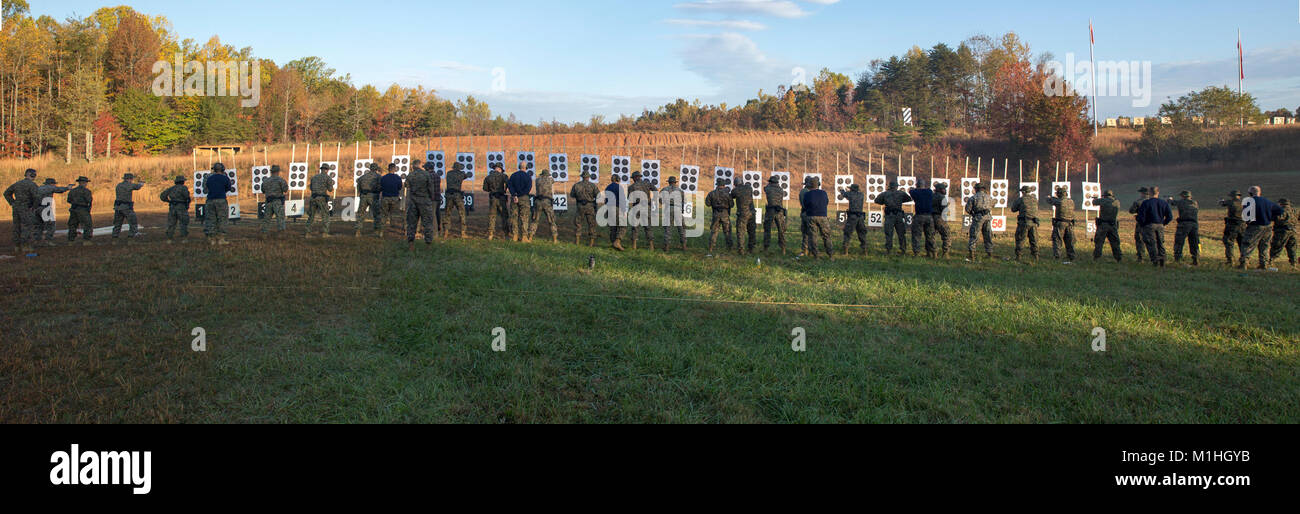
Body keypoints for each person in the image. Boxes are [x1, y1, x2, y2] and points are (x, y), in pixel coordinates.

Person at [1237, 186, 1283, 270]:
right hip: (1268, 227)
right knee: (1264, 246)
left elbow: (1245, 216)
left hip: (1255, 227)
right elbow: (1280, 210)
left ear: (1250, 193)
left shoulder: (1249, 201)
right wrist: (1271, 217)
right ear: (1260, 192)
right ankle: (1264, 264)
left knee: (1247, 245)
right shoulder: (1268, 201)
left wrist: (1248, 222)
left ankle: (1244, 264)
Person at [1135, 186, 1173, 267]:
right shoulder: (1164, 203)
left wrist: (1142, 224)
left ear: (1150, 193)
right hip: (1160, 225)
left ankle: (1155, 261)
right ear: (1158, 192)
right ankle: (1162, 260)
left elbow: (1141, 217)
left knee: (1151, 243)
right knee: (1160, 243)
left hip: (1149, 225)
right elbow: (1170, 216)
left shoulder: (1146, 203)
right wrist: (1163, 223)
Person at [4, 168, 39, 253]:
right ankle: (25, 245)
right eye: (34, 174)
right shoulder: (32, 185)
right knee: (27, 226)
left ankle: (17, 246)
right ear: (31, 175)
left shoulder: (17, 184)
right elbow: (37, 197)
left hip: (16, 208)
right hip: (27, 208)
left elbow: (6, 193)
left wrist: (12, 203)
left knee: (17, 226)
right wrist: (34, 207)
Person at [405, 160, 437, 248]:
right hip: (425, 201)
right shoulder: (426, 174)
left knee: (412, 223)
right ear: (419, 165)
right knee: (427, 223)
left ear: (413, 166)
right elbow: (431, 188)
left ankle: (411, 244)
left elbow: (406, 186)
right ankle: (428, 244)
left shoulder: (410, 175)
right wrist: (431, 197)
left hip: (413, 202)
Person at [874, 180, 909, 256]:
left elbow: (876, 200)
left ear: (889, 186)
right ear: (896, 187)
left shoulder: (885, 194)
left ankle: (888, 250)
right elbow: (909, 199)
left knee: (889, 233)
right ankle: (903, 250)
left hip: (889, 215)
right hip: (899, 215)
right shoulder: (901, 193)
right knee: (901, 233)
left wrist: (884, 201)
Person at [34, 178, 72, 246]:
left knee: (39, 225)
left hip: (36, 208)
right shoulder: (49, 187)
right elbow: (59, 190)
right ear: (51, 184)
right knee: (51, 225)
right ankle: (48, 240)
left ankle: (37, 241)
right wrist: (67, 188)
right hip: (45, 208)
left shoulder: (39, 188)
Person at [203, 163, 235, 245]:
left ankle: (211, 239)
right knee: (222, 219)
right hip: (221, 200)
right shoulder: (225, 178)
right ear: (223, 169)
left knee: (211, 219)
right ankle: (221, 239)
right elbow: (228, 188)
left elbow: (206, 188)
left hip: (210, 200)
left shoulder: (209, 178)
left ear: (214, 169)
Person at [802, 177, 833, 259]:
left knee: (813, 236)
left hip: (811, 216)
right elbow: (826, 202)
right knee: (826, 236)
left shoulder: (807, 194)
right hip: (823, 216)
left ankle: (816, 256)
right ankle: (830, 255)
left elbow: (805, 205)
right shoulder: (824, 193)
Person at [1046, 186, 1077, 262]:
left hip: (1061, 223)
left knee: (1057, 239)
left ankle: (1057, 256)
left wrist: (1048, 197)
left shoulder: (1059, 201)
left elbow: (1050, 200)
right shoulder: (1071, 201)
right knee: (1069, 240)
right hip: (1070, 223)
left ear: (1059, 194)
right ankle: (1071, 256)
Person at [1168, 190, 1200, 265]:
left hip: (1184, 224)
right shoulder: (1195, 203)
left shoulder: (1181, 202)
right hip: (1194, 225)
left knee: (1179, 242)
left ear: (1183, 196)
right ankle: (1196, 259)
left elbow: (1173, 203)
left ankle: (1177, 259)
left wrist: (1170, 200)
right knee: (1194, 242)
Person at [112, 172, 145, 243]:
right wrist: (141, 184)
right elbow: (137, 187)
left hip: (118, 207)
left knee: (117, 224)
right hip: (126, 207)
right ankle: (131, 237)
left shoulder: (119, 185)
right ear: (130, 179)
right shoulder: (128, 185)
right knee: (133, 221)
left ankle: (115, 238)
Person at [964, 182, 994, 260]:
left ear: (976, 189)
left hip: (978, 218)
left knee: (974, 235)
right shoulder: (989, 197)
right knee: (988, 236)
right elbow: (992, 205)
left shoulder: (973, 197)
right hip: (987, 217)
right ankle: (989, 253)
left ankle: (972, 254)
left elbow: (968, 209)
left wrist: (973, 214)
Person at [1009, 185, 1039, 261]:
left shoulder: (1021, 199)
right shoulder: (1035, 199)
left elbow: (1013, 209)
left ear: (1023, 192)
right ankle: (1036, 255)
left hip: (1024, 222)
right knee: (1034, 240)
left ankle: (1018, 256)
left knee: (1020, 239)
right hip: (1034, 222)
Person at [528, 165, 557, 243]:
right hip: (547, 202)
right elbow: (553, 180)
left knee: (535, 220)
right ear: (547, 175)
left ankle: (530, 237)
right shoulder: (550, 180)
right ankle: (555, 239)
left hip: (538, 201)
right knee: (551, 220)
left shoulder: (537, 180)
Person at [704, 178, 733, 256]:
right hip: (725, 214)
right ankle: (729, 248)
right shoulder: (728, 194)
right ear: (724, 185)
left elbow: (707, 203)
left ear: (717, 184)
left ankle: (711, 247)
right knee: (727, 232)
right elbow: (732, 205)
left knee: (714, 232)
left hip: (716, 214)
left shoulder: (712, 193)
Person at [159, 175, 192, 244]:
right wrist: (187, 204)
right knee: (183, 223)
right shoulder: (184, 188)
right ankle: (184, 239)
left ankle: (169, 239)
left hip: (172, 207)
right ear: (182, 181)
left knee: (171, 223)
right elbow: (186, 197)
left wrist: (168, 201)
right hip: (181, 206)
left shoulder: (171, 188)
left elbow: (162, 196)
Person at [305, 162, 334, 238]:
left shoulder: (314, 177)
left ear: (321, 169)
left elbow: (311, 188)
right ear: (327, 170)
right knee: (325, 215)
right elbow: (330, 189)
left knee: (311, 216)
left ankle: (308, 232)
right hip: (321, 198)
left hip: (313, 197)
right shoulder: (328, 178)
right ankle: (325, 232)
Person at [627, 172, 656, 249]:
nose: (632, 179)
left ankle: (634, 246)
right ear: (639, 177)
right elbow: (655, 190)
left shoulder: (631, 187)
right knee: (648, 226)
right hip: (646, 207)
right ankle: (651, 246)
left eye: (633, 178)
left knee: (635, 226)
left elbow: (629, 199)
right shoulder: (647, 183)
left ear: (635, 178)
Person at [570, 171, 600, 246]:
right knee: (591, 224)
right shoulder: (593, 185)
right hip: (590, 206)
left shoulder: (576, 185)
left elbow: (572, 195)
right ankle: (591, 243)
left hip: (580, 206)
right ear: (588, 177)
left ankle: (577, 241)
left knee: (578, 223)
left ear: (582, 177)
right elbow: (598, 195)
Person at [1092, 190, 1122, 262]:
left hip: (1103, 224)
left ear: (1105, 195)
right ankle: (1118, 257)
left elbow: (1094, 202)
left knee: (1099, 241)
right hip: (1113, 225)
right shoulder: (1117, 202)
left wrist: (1095, 198)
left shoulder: (1103, 200)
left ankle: (1097, 257)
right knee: (1115, 242)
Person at [838, 183, 868, 255]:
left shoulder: (850, 194)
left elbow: (844, 194)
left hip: (852, 217)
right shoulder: (861, 194)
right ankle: (865, 251)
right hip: (860, 217)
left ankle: (845, 251)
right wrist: (850, 190)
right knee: (862, 233)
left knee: (847, 233)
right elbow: (854, 193)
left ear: (852, 189)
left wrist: (842, 190)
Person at [909, 180, 936, 258]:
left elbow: (911, 191)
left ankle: (917, 253)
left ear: (917, 185)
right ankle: (933, 252)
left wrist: (913, 188)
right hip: (929, 217)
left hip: (919, 216)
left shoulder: (915, 192)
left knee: (917, 235)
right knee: (930, 235)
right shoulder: (929, 192)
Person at [355, 162, 382, 238]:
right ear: (376, 169)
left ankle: (358, 231)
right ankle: (376, 230)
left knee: (360, 213)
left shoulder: (363, 177)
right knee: (376, 214)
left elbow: (358, 184)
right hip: (373, 196)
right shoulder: (378, 176)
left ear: (370, 169)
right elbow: (380, 187)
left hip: (363, 196)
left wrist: (360, 194)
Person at [483, 163, 510, 240]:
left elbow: (485, 188)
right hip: (501, 198)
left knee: (492, 216)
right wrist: (504, 189)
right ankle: (506, 234)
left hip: (493, 198)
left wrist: (491, 190)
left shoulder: (488, 177)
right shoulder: (504, 176)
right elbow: (508, 183)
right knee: (504, 216)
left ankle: (490, 234)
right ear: (500, 169)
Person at [507, 162, 533, 242]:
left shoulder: (513, 175)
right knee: (524, 217)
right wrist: (520, 195)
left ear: (519, 167)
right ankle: (524, 237)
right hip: (524, 198)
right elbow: (528, 189)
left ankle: (515, 235)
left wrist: (515, 195)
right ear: (526, 167)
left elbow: (510, 186)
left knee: (514, 217)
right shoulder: (528, 177)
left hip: (514, 198)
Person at [660, 176, 687, 251]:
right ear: (675, 182)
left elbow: (660, 201)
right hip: (678, 209)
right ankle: (684, 246)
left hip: (668, 208)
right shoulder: (680, 190)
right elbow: (684, 201)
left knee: (668, 228)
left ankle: (667, 247)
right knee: (681, 228)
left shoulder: (664, 189)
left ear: (668, 182)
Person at [261, 165, 289, 235]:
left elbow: (263, 190)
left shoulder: (265, 181)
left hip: (268, 201)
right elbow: (285, 190)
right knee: (280, 219)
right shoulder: (281, 180)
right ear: (278, 171)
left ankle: (264, 234)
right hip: (278, 201)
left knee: (267, 219)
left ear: (271, 172)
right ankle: (281, 234)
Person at [730, 177, 756, 255]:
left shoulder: (735, 190)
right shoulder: (749, 188)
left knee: (741, 232)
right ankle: (751, 248)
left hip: (742, 214)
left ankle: (741, 250)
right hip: (751, 213)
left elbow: (732, 196)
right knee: (751, 231)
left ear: (735, 184)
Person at [762, 176, 787, 255]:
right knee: (781, 231)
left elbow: (764, 188)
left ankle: (766, 248)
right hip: (779, 211)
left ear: (771, 182)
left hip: (770, 211)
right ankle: (783, 249)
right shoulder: (781, 189)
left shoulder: (768, 188)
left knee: (767, 230)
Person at [442, 162, 468, 238]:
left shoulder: (449, 173)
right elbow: (466, 176)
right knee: (462, 213)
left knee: (447, 213)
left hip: (449, 195)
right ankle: (463, 233)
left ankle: (446, 233)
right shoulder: (461, 174)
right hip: (457, 195)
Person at [66, 177, 94, 245]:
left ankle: (71, 241)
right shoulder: (86, 191)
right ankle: (86, 240)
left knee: (72, 225)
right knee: (87, 224)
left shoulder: (72, 191)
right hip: (83, 209)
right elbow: (89, 200)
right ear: (84, 183)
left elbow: (68, 200)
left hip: (73, 209)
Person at [1220, 190, 1245, 266]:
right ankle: (1244, 261)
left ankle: (1230, 261)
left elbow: (1223, 204)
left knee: (1228, 241)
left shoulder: (1230, 202)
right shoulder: (1244, 203)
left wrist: (1221, 201)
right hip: (1243, 225)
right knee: (1242, 244)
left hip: (1232, 225)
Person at [1270, 198, 1296, 268]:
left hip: (1282, 231)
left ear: (1280, 203)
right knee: (1291, 248)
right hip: (1293, 231)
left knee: (1276, 247)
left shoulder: (1281, 210)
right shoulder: (1293, 210)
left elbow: (1277, 218)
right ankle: (1293, 264)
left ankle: (1270, 262)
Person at [380, 164, 405, 234]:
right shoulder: (398, 178)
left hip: (385, 198)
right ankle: (394, 230)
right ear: (395, 169)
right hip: (394, 198)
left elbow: (381, 187)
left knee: (384, 215)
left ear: (388, 169)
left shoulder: (383, 178)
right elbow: (400, 187)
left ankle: (381, 231)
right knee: (394, 214)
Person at [603, 175, 625, 251]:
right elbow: (622, 200)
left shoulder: (607, 188)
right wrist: (624, 210)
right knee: (623, 226)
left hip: (609, 208)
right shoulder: (619, 187)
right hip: (617, 208)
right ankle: (617, 242)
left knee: (613, 227)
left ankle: (613, 243)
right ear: (618, 179)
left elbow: (605, 200)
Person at [1129, 187, 1150, 263]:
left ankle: (1141, 257)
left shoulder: (1138, 202)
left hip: (1141, 223)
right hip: (1152, 223)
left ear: (1142, 193)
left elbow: (1131, 211)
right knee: (1152, 240)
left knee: (1139, 239)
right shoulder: (1153, 201)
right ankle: (1154, 257)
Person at [932, 182, 952, 258]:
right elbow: (944, 210)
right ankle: (945, 253)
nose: (945, 190)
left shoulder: (931, 196)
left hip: (931, 217)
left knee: (931, 235)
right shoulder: (942, 197)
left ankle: (933, 253)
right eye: (944, 189)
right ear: (940, 190)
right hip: (939, 217)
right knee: (947, 235)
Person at [798, 176, 813, 257]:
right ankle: (811, 250)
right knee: (811, 233)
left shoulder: (803, 191)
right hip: (810, 214)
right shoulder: (811, 191)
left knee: (805, 233)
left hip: (804, 213)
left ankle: (805, 250)